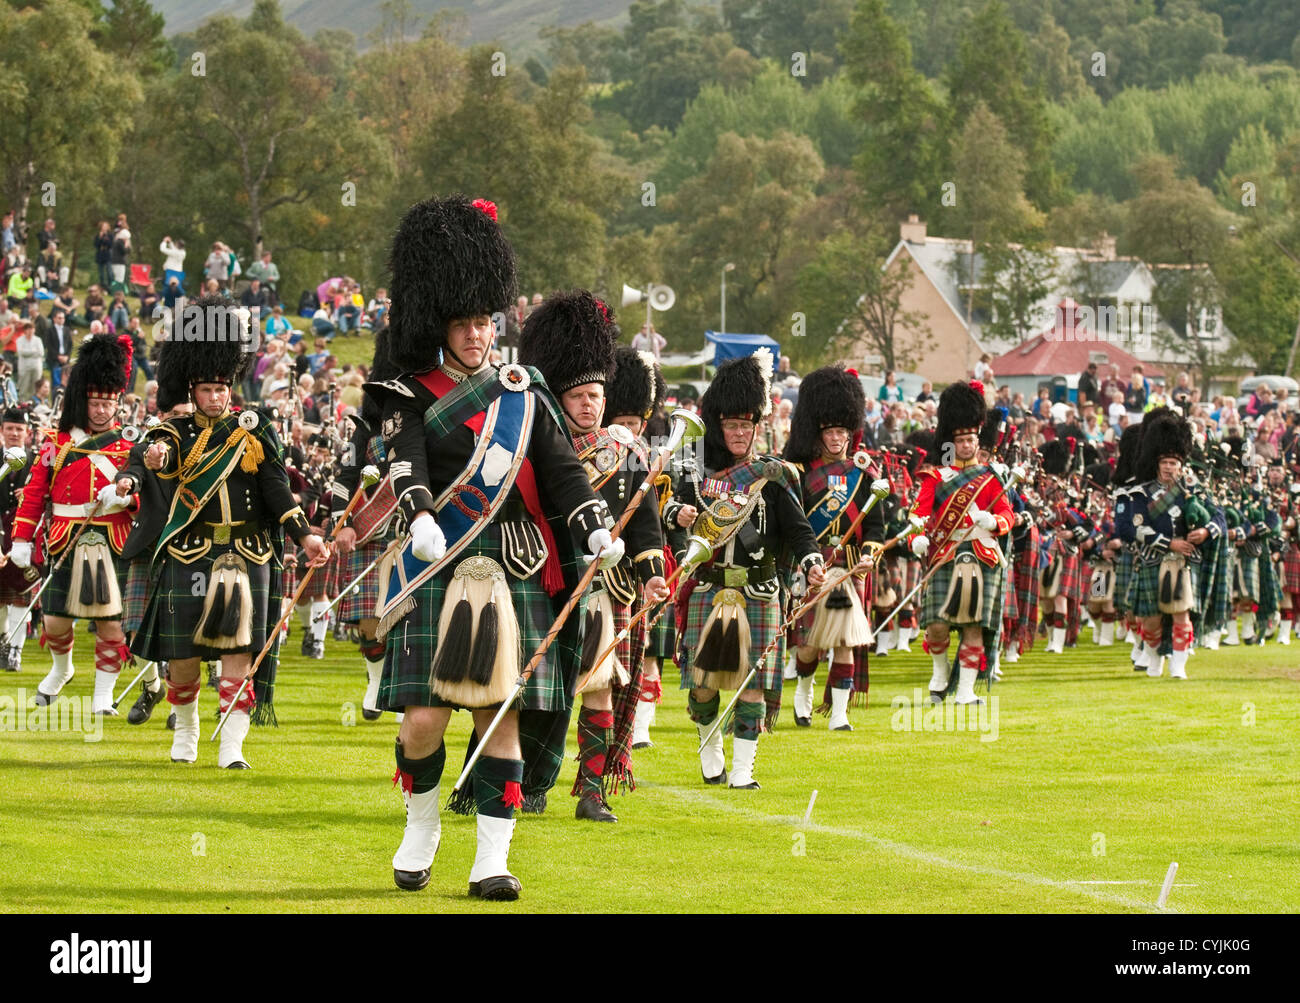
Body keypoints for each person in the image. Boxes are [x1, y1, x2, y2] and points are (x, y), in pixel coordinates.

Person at [364, 195, 622, 900]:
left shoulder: (522, 390)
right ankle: (421, 824)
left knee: (497, 711)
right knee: (423, 720)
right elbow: (406, 463)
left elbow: (564, 469)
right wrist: (418, 513)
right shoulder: (405, 392)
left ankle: (492, 860)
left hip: (509, 570)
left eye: (485, 320)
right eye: (465, 322)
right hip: (435, 563)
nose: (479, 334)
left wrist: (593, 522)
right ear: (438, 321)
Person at [122, 299, 327, 765]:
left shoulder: (251, 430)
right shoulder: (173, 432)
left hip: (247, 552)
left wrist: (304, 535)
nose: (218, 397)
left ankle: (232, 747)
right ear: (192, 388)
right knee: (184, 655)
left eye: (223, 388)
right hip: (190, 551)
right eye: (209, 389)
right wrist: (155, 461)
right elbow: (162, 454)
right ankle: (187, 735)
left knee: (240, 649)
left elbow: (276, 490)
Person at [520, 297, 669, 821]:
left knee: (601, 689)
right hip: (550, 580)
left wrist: (652, 576)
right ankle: (528, 782)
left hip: (610, 589)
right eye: (580, 396)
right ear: (562, 397)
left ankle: (590, 791)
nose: (591, 406)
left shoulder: (627, 452)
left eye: (598, 395)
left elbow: (646, 523)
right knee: (540, 691)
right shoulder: (539, 445)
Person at [668, 349, 826, 788]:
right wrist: (677, 515)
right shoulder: (696, 473)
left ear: (758, 427)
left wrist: (812, 561)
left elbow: (799, 530)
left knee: (753, 681)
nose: (739, 433)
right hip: (708, 589)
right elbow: (669, 513)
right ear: (719, 426)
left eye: (746, 425)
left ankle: (742, 772)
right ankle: (710, 745)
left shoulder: (772, 476)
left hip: (759, 592)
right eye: (731, 425)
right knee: (702, 686)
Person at [10, 335, 139, 712]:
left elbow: (149, 499)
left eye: (107, 403)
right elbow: (35, 493)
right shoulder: (56, 441)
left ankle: (102, 695)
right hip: (65, 538)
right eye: (95, 402)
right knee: (54, 621)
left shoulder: (130, 447)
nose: (100, 410)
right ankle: (61, 669)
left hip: (112, 538)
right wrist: (21, 539)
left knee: (111, 625)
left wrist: (128, 498)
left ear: (118, 403)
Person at [784, 365, 887, 731]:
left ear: (850, 432)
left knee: (844, 640)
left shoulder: (865, 475)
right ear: (819, 432)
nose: (836, 438)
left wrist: (871, 553)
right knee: (810, 644)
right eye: (830, 431)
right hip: (811, 567)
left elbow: (875, 525)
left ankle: (840, 715)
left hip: (848, 568)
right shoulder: (799, 472)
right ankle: (804, 691)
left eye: (842, 431)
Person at [909, 381, 1015, 705]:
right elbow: (918, 514)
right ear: (951, 443)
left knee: (974, 626)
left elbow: (1007, 515)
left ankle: (966, 691)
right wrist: (917, 538)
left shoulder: (992, 477)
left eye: (971, 439)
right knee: (937, 625)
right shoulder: (936, 478)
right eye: (961, 440)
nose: (967, 445)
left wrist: (993, 521)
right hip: (946, 553)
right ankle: (940, 675)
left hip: (982, 555)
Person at [1115, 409, 1218, 678]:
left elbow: (1219, 517)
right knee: (1152, 618)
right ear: (1157, 463)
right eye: (1165, 462)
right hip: (1153, 558)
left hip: (1184, 562)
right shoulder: (1141, 492)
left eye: (1174, 462)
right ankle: (1153, 655)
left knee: (1182, 614)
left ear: (1181, 464)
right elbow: (1135, 527)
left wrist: (1205, 531)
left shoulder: (1193, 490)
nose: (1169, 466)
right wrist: (1169, 543)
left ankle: (1178, 666)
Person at [0, 406, 40, 671]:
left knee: (19, 596)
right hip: (0, 535)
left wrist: (31, 492)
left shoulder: (38, 462)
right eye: (10, 428)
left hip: (26, 538)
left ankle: (15, 649)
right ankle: (3, 643)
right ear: (2, 431)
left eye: (19, 429)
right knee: (1, 596)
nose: (15, 433)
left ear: (27, 433)